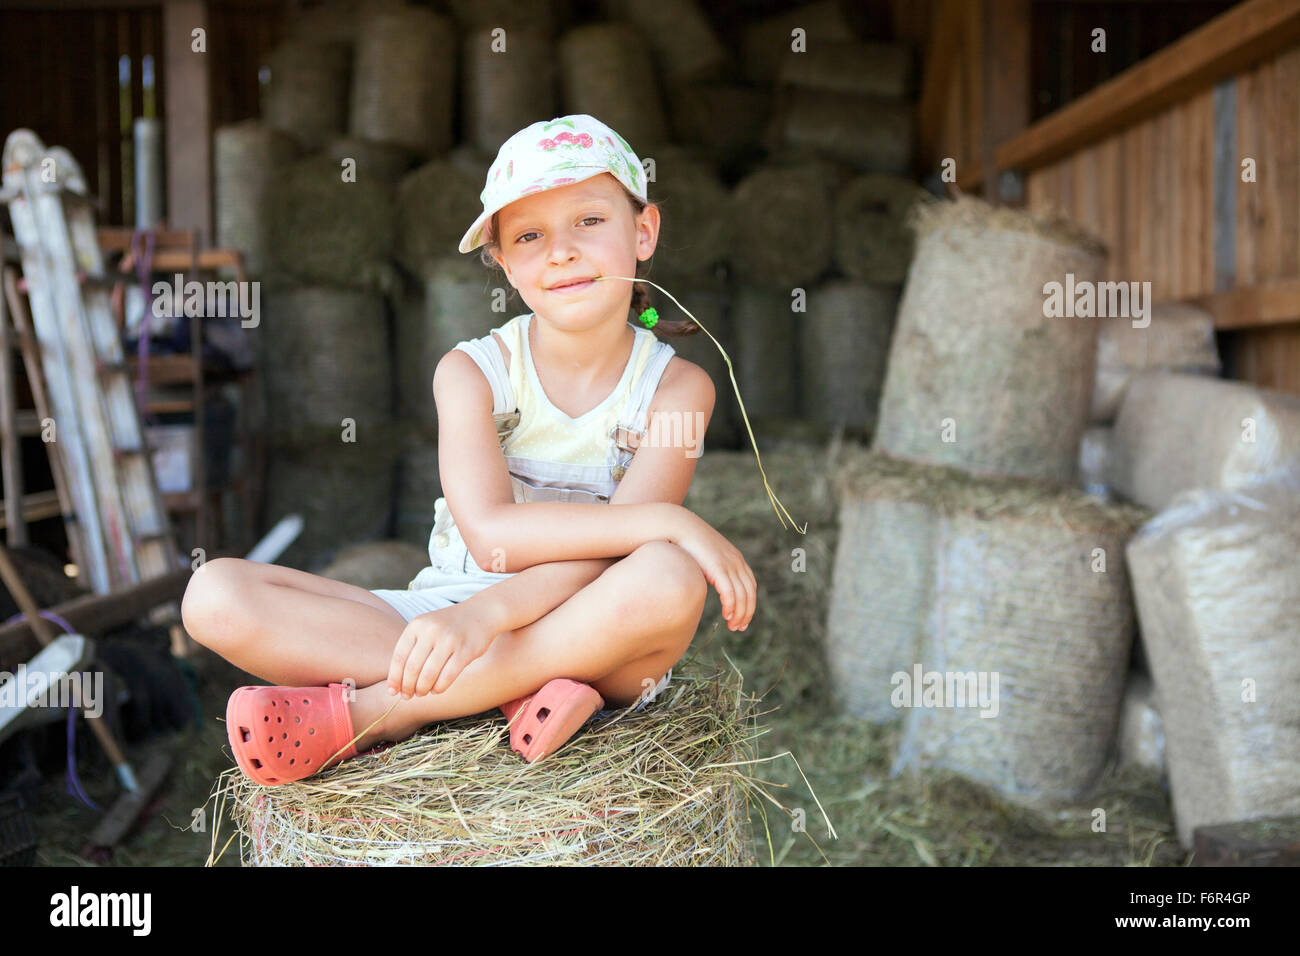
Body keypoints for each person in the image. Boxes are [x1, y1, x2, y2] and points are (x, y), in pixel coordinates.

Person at [181, 114, 757, 785]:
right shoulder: (471, 372)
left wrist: (494, 618)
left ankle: (382, 713)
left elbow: (619, 557)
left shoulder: (678, 387)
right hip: (449, 610)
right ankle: (513, 691)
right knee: (212, 594)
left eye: (590, 221)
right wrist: (671, 520)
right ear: (505, 262)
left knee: (667, 577)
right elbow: (490, 539)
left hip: (589, 628)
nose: (561, 251)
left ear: (644, 230)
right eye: (530, 235)